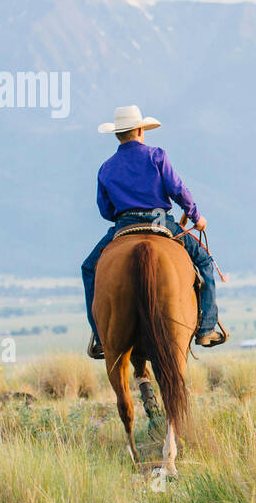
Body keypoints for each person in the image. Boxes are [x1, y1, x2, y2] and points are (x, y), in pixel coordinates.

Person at [81, 105, 228, 359]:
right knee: (203, 260)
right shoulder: (157, 156)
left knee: (88, 269)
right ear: (140, 130)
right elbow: (178, 189)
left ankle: (100, 335)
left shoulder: (106, 168)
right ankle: (206, 328)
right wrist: (196, 217)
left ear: (118, 135)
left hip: (124, 225)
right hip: (161, 222)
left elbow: (105, 210)